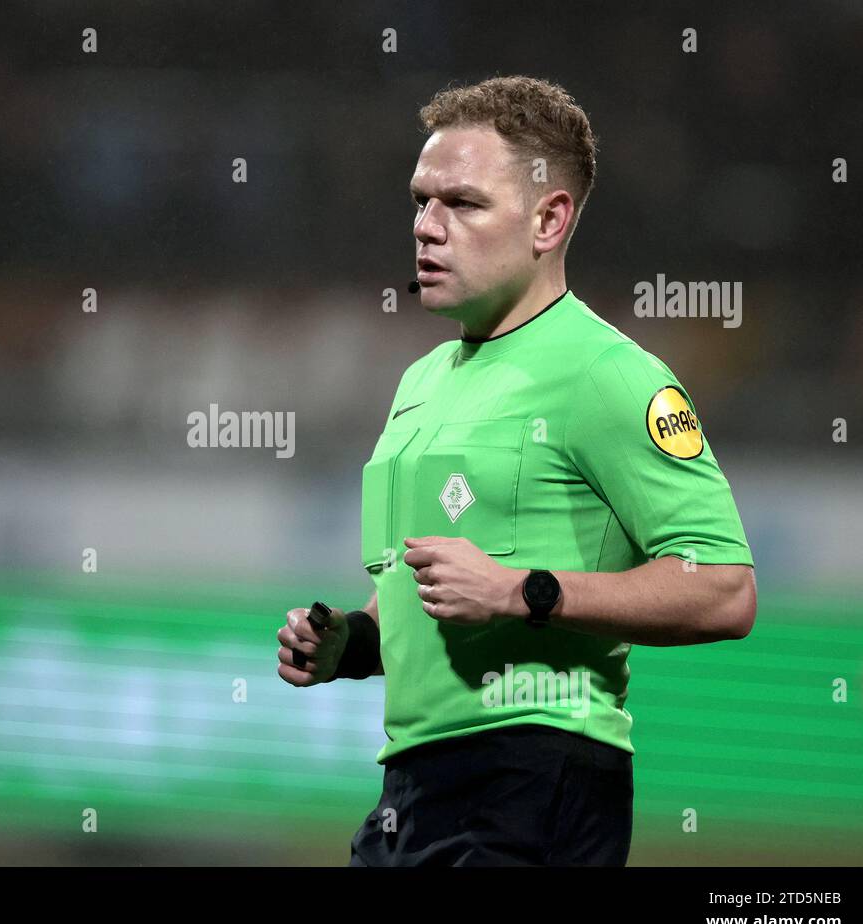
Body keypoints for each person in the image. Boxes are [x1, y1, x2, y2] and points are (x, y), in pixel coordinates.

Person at [276, 76, 756, 866]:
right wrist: (352, 645)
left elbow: (726, 589)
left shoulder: (607, 375)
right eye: (420, 201)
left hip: (539, 781)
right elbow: (425, 599)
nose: (427, 228)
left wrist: (519, 590)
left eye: (461, 204)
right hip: (412, 791)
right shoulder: (423, 381)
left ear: (548, 219)